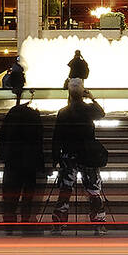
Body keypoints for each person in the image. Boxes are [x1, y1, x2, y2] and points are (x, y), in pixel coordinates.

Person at [49, 86, 108, 235]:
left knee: (65, 190)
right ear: (82, 94)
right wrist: (92, 98)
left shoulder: (63, 112)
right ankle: (98, 223)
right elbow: (101, 113)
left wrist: (55, 157)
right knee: (94, 190)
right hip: (88, 155)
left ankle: (59, 223)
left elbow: (57, 136)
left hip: (68, 155)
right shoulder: (88, 109)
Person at [0, 91, 46, 235]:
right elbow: (38, 140)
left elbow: (2, 137)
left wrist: (3, 155)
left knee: (10, 195)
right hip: (29, 162)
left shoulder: (11, 115)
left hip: (12, 161)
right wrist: (40, 163)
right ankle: (26, 224)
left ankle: (9, 226)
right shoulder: (34, 116)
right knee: (27, 196)